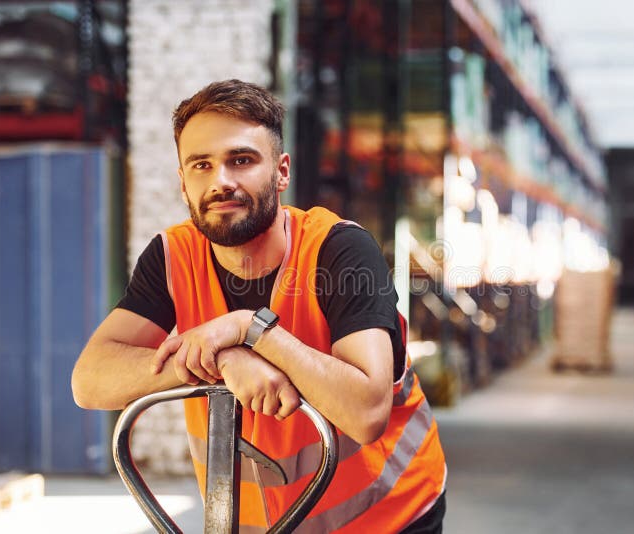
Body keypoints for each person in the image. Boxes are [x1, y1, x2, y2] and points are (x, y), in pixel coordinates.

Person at [72, 79, 447, 533]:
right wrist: (224, 358)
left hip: (386, 514)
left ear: (281, 171)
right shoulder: (174, 257)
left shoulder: (340, 251)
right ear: (183, 182)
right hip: (268, 524)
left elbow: (367, 413)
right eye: (201, 165)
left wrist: (252, 329)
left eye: (241, 160)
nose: (221, 181)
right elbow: (89, 381)